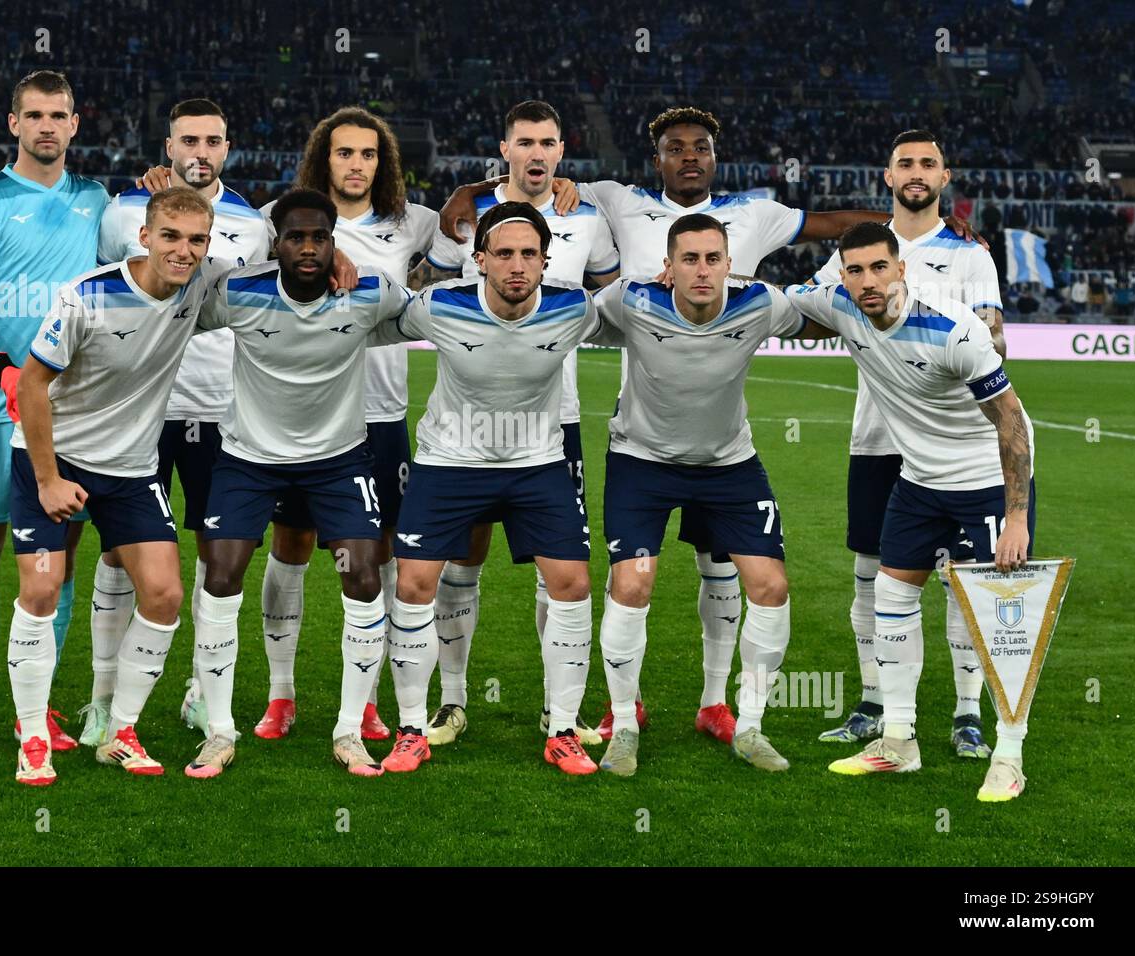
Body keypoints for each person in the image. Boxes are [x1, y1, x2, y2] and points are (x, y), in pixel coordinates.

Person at [439, 106, 981, 742]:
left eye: (700, 147)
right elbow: (531, 180)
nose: (689, 156)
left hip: (723, 446)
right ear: (658, 157)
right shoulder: (612, 200)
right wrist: (466, 189)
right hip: (639, 432)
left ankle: (718, 702)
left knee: (721, 567)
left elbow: (832, 228)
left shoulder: (756, 213)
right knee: (617, 577)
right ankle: (619, 703)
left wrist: (922, 230)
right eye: (675, 147)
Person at [785, 222, 1036, 803]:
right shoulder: (841, 308)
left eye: (879, 267)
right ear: (841, 276)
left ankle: (1009, 755)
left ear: (902, 269)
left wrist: (1016, 517)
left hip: (983, 485)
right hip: (919, 483)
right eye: (855, 270)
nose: (868, 281)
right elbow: (765, 297)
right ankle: (898, 742)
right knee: (891, 600)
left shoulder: (953, 329)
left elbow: (1012, 422)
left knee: (1001, 622)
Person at [407, 100, 619, 747]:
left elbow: (613, 303)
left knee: (557, 570)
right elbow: (430, 296)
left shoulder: (590, 218)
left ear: (562, 150)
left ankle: (560, 712)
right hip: (462, 438)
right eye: (524, 140)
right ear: (505, 148)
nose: (536, 152)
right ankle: (452, 700)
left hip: (554, 423)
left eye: (548, 142)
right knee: (458, 564)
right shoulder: (464, 213)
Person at [372, 201, 608, 777]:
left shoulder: (572, 307)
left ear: (546, 261)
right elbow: (369, 323)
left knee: (572, 583)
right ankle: (411, 728)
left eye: (530, 253)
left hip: (537, 463)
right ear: (479, 261)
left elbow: (649, 323)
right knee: (415, 581)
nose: (517, 265)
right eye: (504, 254)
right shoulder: (439, 305)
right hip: (450, 461)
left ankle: (562, 730)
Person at [190, 188, 413, 778]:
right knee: (220, 573)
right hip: (247, 458)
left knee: (364, 575)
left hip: (339, 459)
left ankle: (349, 728)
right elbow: (174, 312)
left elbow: (419, 314)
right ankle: (218, 731)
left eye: (320, 237)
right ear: (277, 242)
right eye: (296, 237)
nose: (309, 248)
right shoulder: (239, 293)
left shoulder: (369, 292)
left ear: (334, 241)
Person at [809, 131, 1005, 759]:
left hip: (952, 447)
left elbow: (993, 344)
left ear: (945, 176)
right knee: (873, 576)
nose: (916, 173)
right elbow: (813, 310)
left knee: (960, 581)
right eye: (905, 164)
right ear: (887, 176)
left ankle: (967, 710)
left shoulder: (971, 254)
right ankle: (876, 702)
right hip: (876, 436)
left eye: (928, 163)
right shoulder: (864, 247)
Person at [8, 187, 215, 784]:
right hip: (52, 459)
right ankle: (35, 737)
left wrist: (334, 260)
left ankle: (120, 729)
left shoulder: (199, 286)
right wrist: (48, 480)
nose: (183, 251)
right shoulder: (87, 296)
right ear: (145, 236)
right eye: (171, 237)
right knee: (42, 591)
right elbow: (31, 386)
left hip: (129, 468)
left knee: (164, 596)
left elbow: (277, 276)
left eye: (196, 240)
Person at [591, 214, 807, 776]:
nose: (703, 270)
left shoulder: (760, 303)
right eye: (690, 259)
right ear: (669, 266)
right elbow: (573, 311)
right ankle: (624, 723)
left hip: (727, 466)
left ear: (730, 264)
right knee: (632, 582)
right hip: (643, 462)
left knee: (771, 584)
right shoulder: (632, 299)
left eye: (713, 258)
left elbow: (828, 310)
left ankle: (748, 724)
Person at [250, 107, 439, 744]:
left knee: (377, 555)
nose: (356, 165)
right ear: (322, 159)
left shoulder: (416, 222)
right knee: (292, 547)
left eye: (367, 154)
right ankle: (282, 694)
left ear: (382, 161)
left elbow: (471, 251)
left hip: (381, 413)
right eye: (343, 153)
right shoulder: (286, 218)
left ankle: (366, 700)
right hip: (300, 417)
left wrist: (471, 193)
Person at [88, 98, 269, 749]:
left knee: (219, 557)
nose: (200, 150)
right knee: (116, 553)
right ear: (167, 145)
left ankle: (199, 694)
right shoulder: (124, 212)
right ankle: (102, 700)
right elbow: (100, 290)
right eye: (188, 138)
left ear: (227, 147)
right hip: (138, 412)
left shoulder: (254, 223)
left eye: (212, 140)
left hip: (223, 411)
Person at [0, 70, 109, 757]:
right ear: (13, 123)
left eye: (58, 115)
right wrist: (4, 370)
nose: (46, 125)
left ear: (74, 124)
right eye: (33, 114)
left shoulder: (98, 203)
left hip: (68, 414)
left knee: (54, 561)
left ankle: (33, 710)